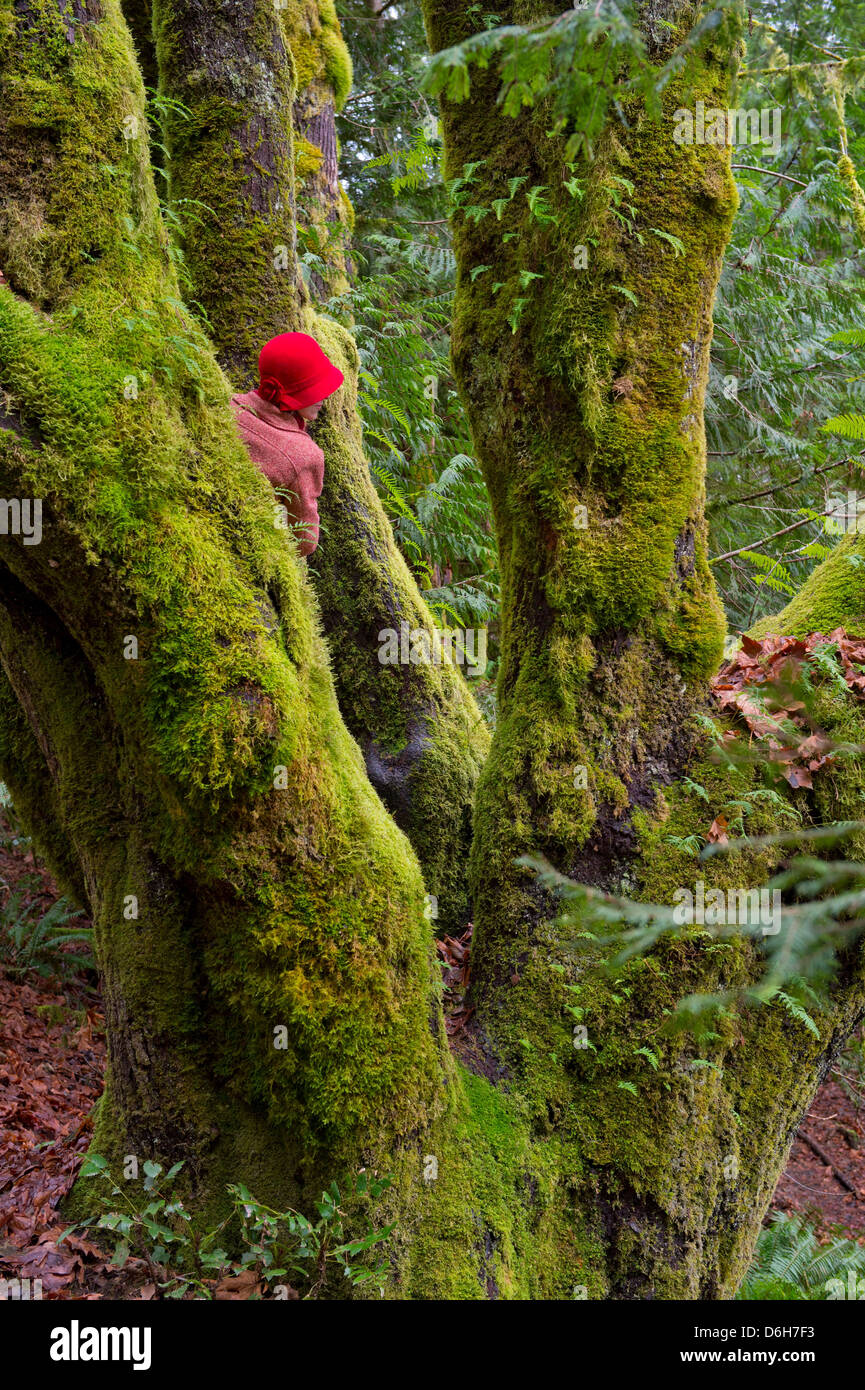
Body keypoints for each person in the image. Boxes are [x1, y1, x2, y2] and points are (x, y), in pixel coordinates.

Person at [231, 332, 344, 556]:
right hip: (258, 557)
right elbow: (304, 541)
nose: (324, 396)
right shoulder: (303, 456)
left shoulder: (228, 404)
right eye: (314, 388)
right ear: (292, 391)